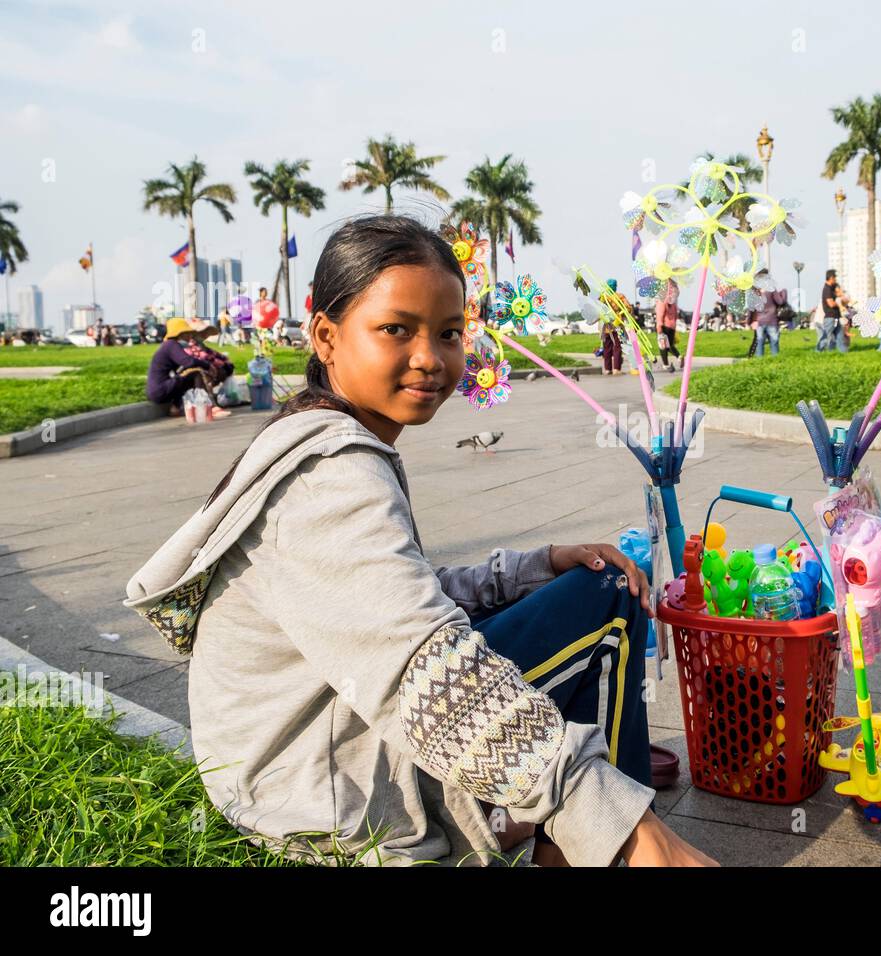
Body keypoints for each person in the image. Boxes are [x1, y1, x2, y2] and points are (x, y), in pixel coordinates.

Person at [122, 215, 714, 868]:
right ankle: (602, 843)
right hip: (323, 802)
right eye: (397, 330)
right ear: (326, 335)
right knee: (608, 602)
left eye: (449, 333)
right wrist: (619, 823)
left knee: (589, 580)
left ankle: (562, 828)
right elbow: (424, 673)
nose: (431, 358)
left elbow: (403, 593)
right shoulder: (332, 473)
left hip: (302, 760)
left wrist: (536, 565)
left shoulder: (322, 436)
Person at [145, 318, 235, 418]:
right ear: (179, 333)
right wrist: (207, 365)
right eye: (187, 332)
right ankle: (209, 407)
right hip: (160, 389)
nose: (190, 335)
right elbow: (189, 362)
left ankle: (177, 407)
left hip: (160, 390)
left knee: (187, 378)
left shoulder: (171, 345)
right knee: (196, 372)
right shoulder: (171, 345)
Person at [748, 272, 787, 358]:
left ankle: (759, 361)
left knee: (760, 341)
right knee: (774, 341)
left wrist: (750, 321)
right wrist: (784, 292)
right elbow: (780, 302)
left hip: (760, 321)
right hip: (771, 320)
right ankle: (776, 359)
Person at [598, 279, 629, 375]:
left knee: (607, 348)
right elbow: (628, 308)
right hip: (617, 325)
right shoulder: (620, 297)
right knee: (617, 347)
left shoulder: (602, 297)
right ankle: (616, 369)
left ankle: (608, 369)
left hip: (605, 327)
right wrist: (621, 313)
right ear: (615, 287)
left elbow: (598, 310)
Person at [816, 270, 850, 353]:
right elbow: (830, 304)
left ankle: (844, 353)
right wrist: (839, 303)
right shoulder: (827, 289)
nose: (835, 280)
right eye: (835, 278)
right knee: (825, 336)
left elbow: (842, 297)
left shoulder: (831, 289)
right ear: (831, 278)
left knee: (840, 336)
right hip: (830, 318)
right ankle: (818, 352)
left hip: (836, 318)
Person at [655, 280, 682, 371]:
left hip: (664, 326)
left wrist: (659, 326)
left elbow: (660, 314)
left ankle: (666, 364)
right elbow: (676, 314)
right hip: (672, 327)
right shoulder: (672, 302)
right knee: (669, 345)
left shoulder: (662, 300)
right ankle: (679, 356)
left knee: (663, 345)